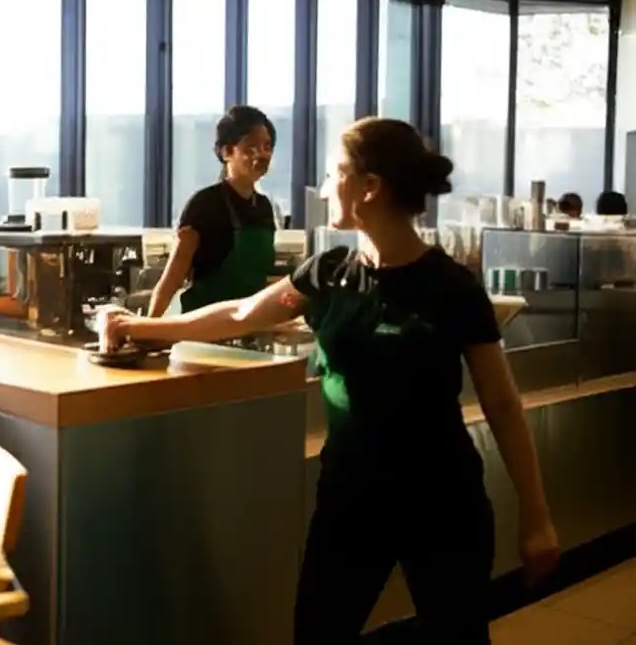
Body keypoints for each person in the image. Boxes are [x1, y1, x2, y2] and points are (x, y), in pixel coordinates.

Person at [103, 118, 559, 643]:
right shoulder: (330, 272)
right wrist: (140, 327)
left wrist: (537, 515)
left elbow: (502, 403)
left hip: (441, 500)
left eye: (332, 173)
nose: (322, 187)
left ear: (369, 187)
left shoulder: (451, 288)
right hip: (350, 497)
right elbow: (240, 314)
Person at [147, 106, 280, 318]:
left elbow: (263, 278)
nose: (262, 155)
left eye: (267, 147)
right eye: (251, 148)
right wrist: (147, 329)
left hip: (249, 326)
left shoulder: (264, 207)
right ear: (227, 152)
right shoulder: (204, 205)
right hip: (202, 330)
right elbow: (172, 280)